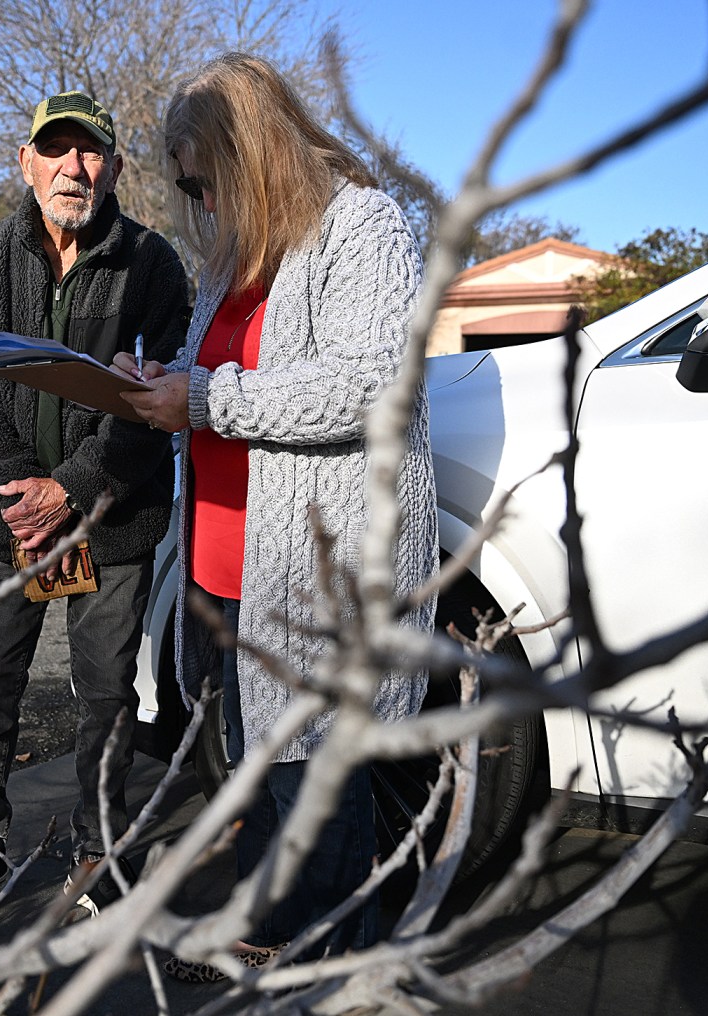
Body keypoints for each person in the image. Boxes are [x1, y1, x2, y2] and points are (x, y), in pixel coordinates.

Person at [116, 53, 436, 975]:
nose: (200, 200)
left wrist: (202, 396)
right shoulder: (232, 257)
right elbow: (215, 376)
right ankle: (266, 940)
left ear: (249, 151)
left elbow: (369, 384)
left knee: (316, 799)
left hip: (311, 582)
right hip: (224, 573)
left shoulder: (360, 225)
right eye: (189, 188)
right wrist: (158, 381)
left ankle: (331, 973)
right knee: (257, 775)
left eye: (204, 180)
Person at [0, 90, 188, 931]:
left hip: (112, 519)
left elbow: (152, 402)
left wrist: (71, 489)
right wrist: (27, 496)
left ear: (115, 167)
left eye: (91, 151)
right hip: (10, 521)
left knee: (106, 692)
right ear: (25, 162)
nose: (74, 168)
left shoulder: (153, 264)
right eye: (55, 150)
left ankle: (100, 849)